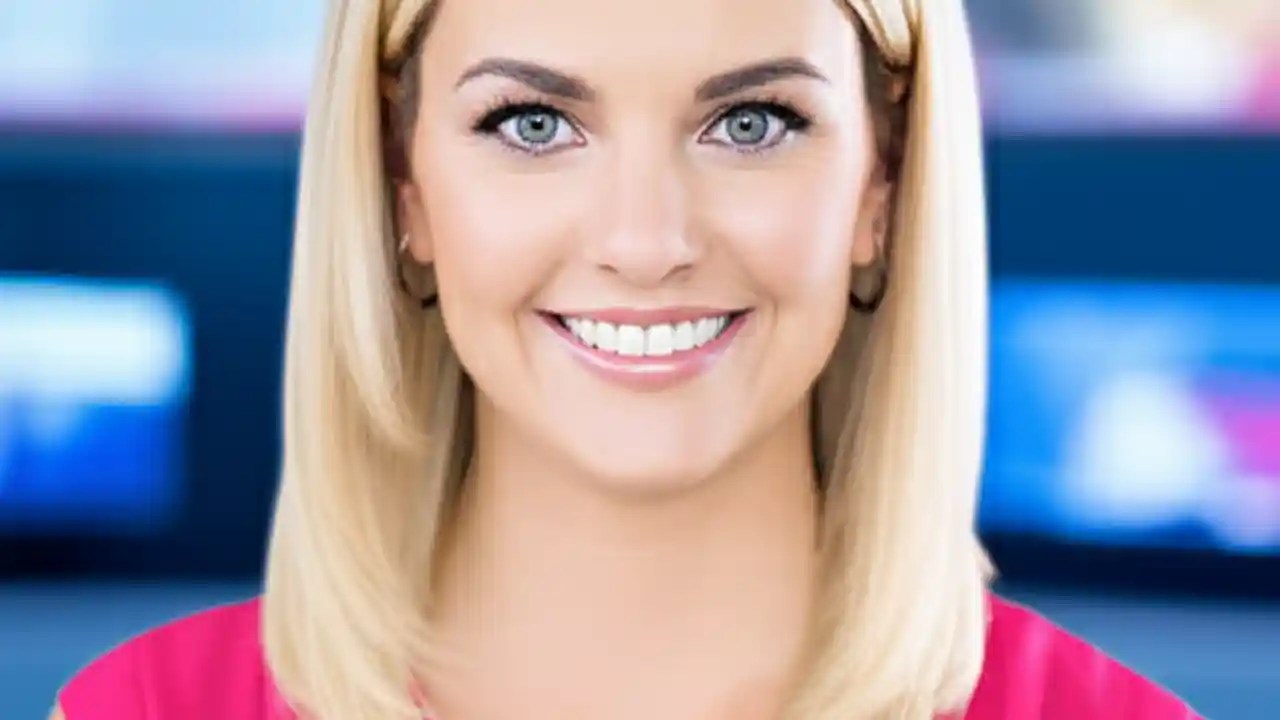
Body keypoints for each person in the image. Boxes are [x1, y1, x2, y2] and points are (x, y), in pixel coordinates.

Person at [52, 0, 1204, 718]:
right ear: (404, 189)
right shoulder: (146, 712)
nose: (644, 243)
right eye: (533, 125)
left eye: (749, 124)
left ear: (879, 191)